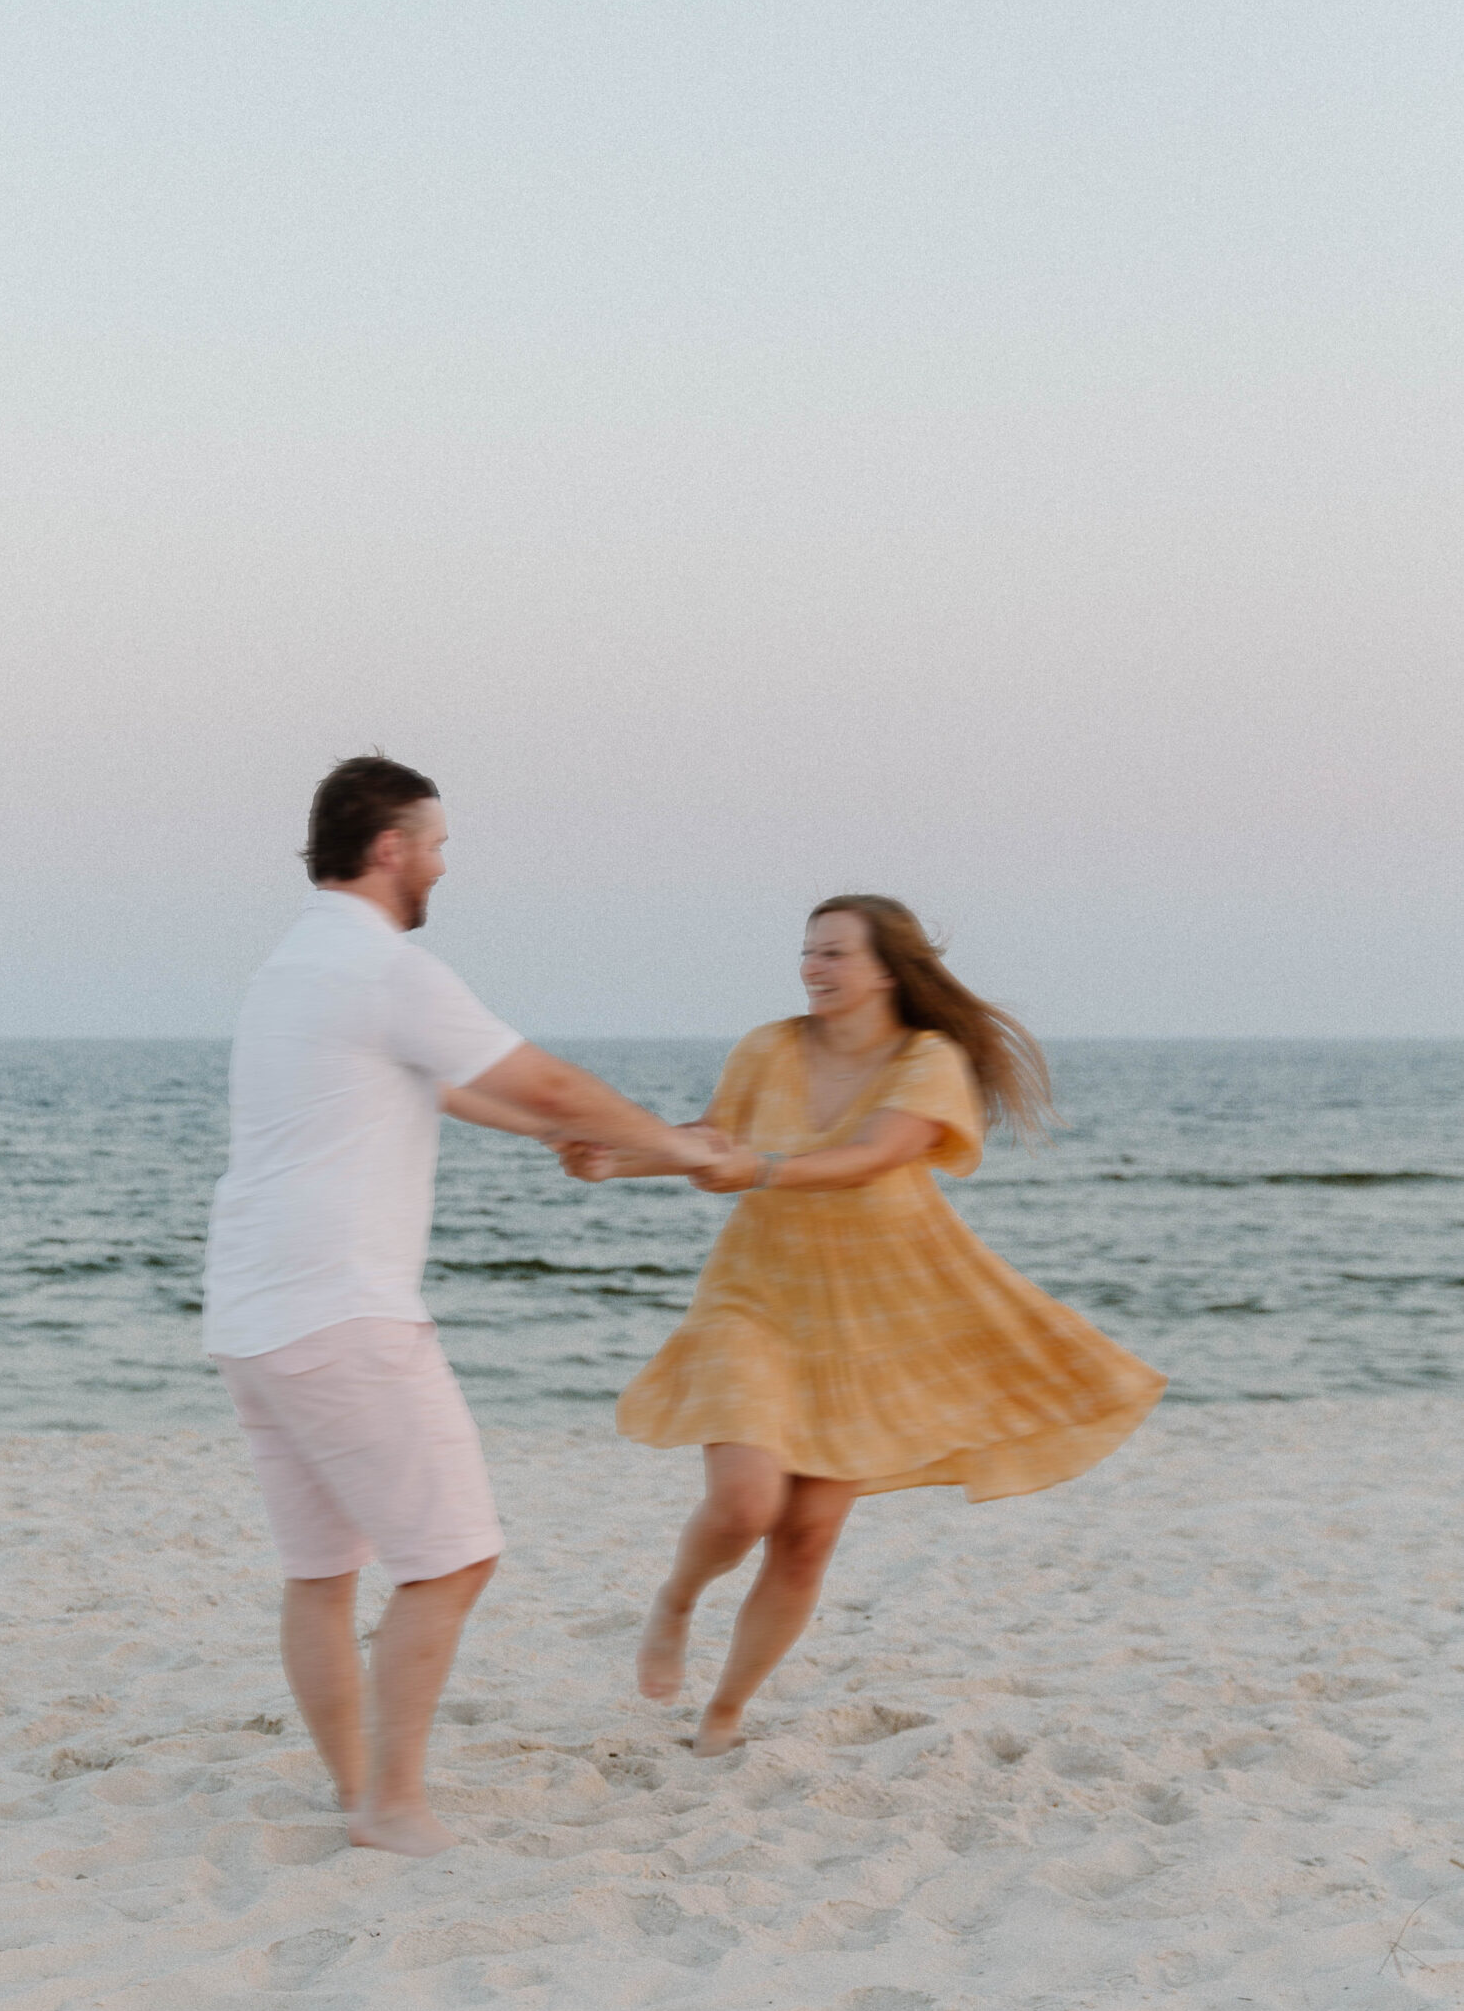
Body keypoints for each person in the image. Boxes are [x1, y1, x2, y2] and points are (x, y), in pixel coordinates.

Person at [203, 756, 725, 1855]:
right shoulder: (386, 964)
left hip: (254, 1318)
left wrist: (552, 1140)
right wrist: (675, 1147)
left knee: (320, 1573)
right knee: (451, 1558)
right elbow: (547, 1080)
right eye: (435, 841)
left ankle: (358, 1791)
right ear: (390, 847)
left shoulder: (291, 967)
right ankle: (391, 1806)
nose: (444, 862)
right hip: (344, 1314)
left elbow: (437, 1086)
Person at [562, 896, 1165, 1757]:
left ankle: (725, 1711)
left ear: (886, 968)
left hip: (871, 1320)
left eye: (835, 953)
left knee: (804, 1540)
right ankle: (676, 1601)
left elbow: (873, 1155)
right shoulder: (766, 1047)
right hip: (754, 1300)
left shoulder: (928, 1060)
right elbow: (710, 1139)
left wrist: (757, 1167)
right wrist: (618, 1158)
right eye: (807, 951)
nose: (813, 967)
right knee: (742, 1503)